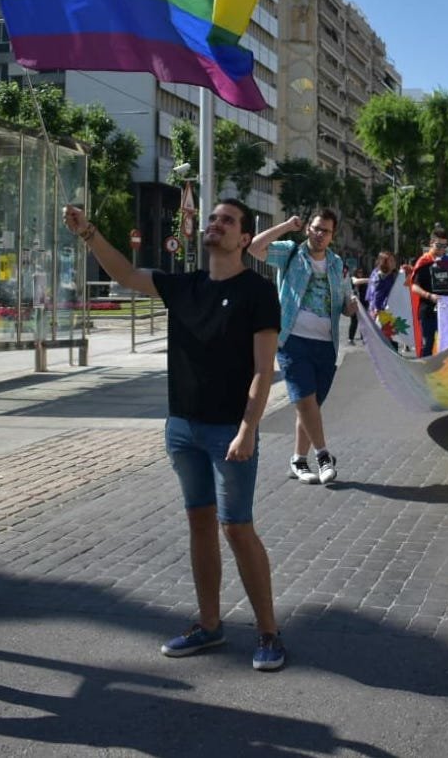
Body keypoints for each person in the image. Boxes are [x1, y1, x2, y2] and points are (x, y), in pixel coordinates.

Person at [64, 200, 287, 672]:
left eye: (227, 221)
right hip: (182, 428)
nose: (216, 224)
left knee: (237, 527)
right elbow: (126, 274)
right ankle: (209, 625)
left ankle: (268, 632)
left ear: (245, 238)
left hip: (230, 431)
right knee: (200, 523)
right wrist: (88, 233)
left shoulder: (258, 292)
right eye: (213, 218)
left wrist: (248, 429)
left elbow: (263, 371)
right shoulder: (185, 285)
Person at [251, 209, 356, 486]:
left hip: (327, 346)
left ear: (332, 235)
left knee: (310, 407)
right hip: (292, 341)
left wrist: (350, 307)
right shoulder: (290, 253)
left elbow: (344, 302)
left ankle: (298, 459)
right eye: (316, 228)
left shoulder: (336, 264)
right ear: (308, 228)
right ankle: (323, 456)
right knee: (306, 402)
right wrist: (286, 225)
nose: (320, 234)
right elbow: (253, 247)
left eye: (326, 231)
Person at [409, 227, 448, 358]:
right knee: (427, 346)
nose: (441, 249)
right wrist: (429, 296)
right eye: (438, 245)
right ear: (431, 243)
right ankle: (426, 370)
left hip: (447, 311)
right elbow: (414, 286)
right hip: (428, 311)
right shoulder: (423, 262)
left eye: (444, 246)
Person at [347, 265, 369, 344]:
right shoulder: (353, 279)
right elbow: (356, 281)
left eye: (362, 272)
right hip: (354, 304)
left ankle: (364, 338)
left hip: (363, 304)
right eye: (359, 272)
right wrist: (371, 279)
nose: (360, 273)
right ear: (356, 273)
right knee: (354, 321)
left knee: (363, 322)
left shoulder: (364, 284)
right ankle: (351, 338)